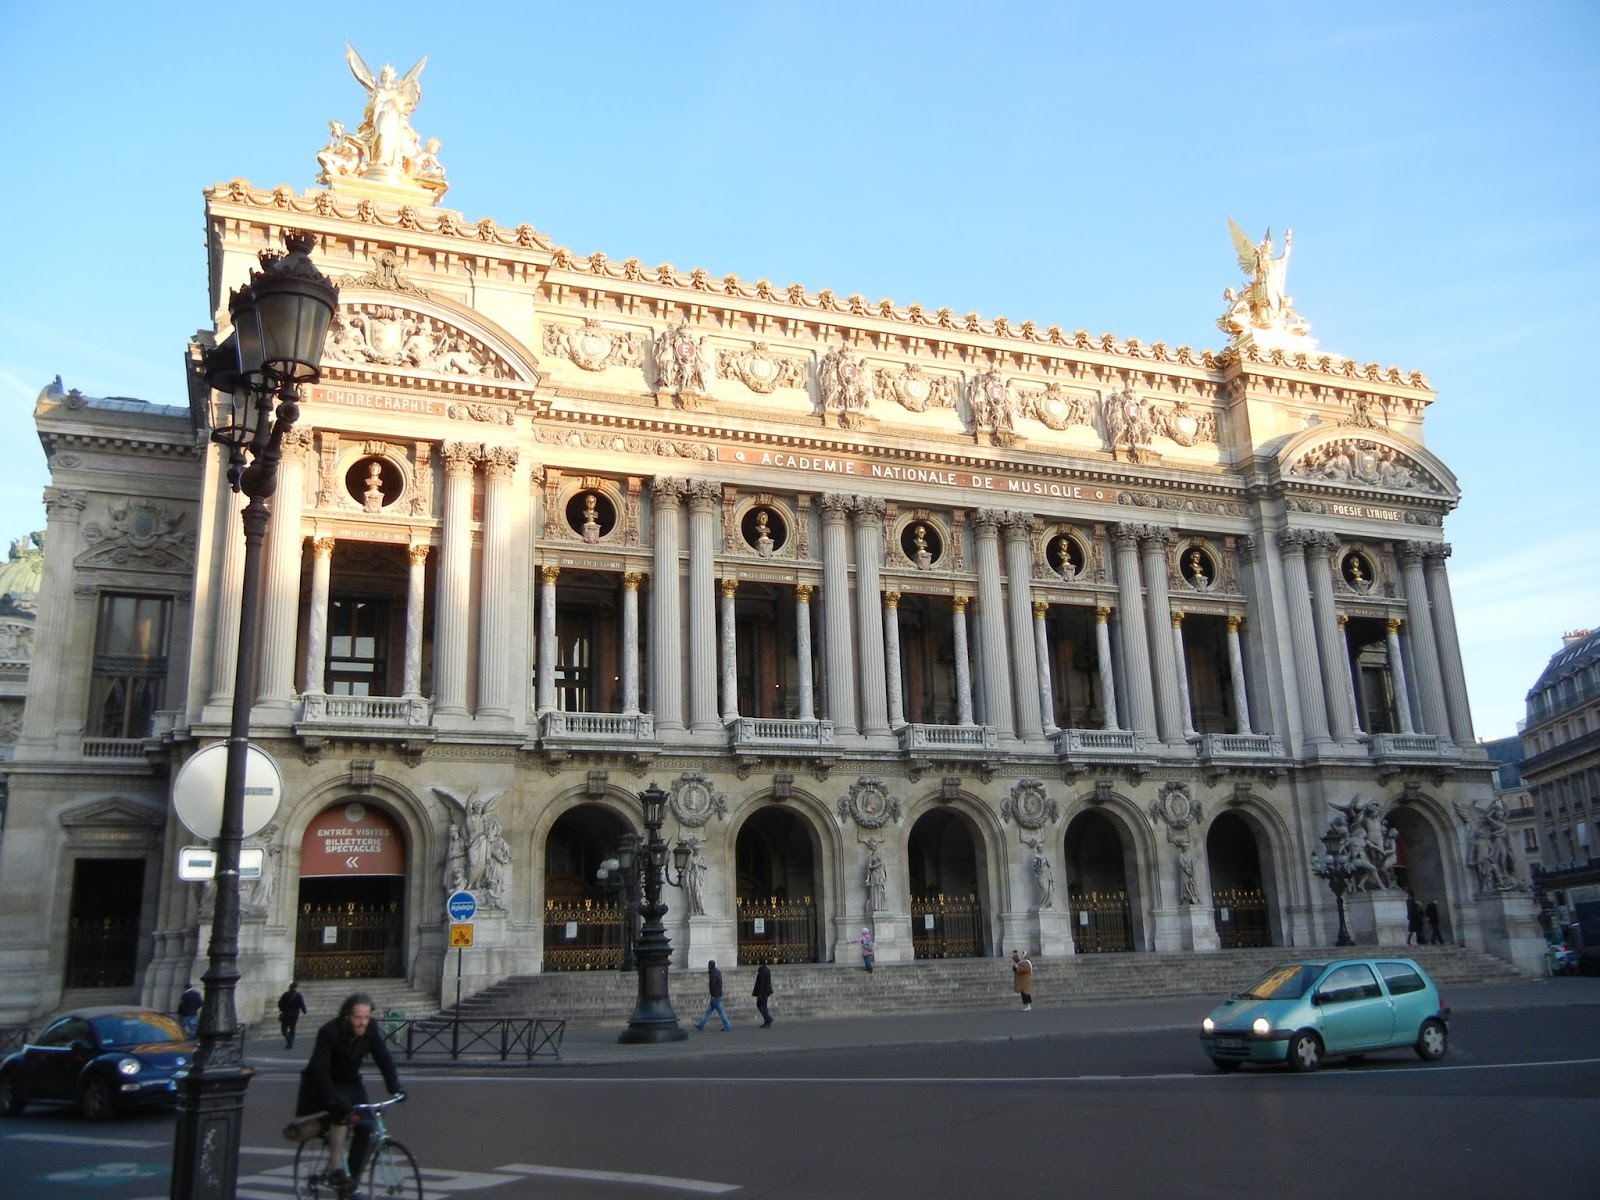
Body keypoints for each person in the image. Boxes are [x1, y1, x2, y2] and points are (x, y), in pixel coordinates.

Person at [296, 992, 406, 1199]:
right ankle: (336, 1167)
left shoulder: (370, 1029)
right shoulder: (329, 1032)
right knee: (341, 1115)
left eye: (366, 1017)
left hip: (350, 1082)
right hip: (323, 1083)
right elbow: (319, 1070)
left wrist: (395, 1087)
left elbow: (383, 1057)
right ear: (347, 1016)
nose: (362, 1022)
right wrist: (334, 1100)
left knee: (367, 1127)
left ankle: (351, 1182)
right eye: (358, 1017)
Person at [694, 960, 732, 1032]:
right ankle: (701, 1025)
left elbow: (713, 985)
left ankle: (727, 1025)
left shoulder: (713, 974)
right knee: (708, 1012)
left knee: (720, 1012)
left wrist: (713, 995)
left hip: (715, 996)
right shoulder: (717, 972)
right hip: (717, 995)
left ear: (710, 965)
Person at [278, 981, 309, 1050]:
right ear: (296, 988)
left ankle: (289, 1040)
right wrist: (304, 1011)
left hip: (286, 1014)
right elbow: (302, 1004)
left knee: (284, 1029)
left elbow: (280, 1003)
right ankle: (290, 1041)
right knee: (292, 1027)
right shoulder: (298, 995)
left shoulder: (285, 994)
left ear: (289, 987)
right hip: (295, 1014)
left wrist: (282, 1009)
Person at [753, 962, 774, 1028]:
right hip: (766, 991)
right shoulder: (767, 969)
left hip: (763, 992)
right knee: (761, 1005)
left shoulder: (762, 971)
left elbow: (761, 983)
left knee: (763, 1006)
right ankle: (768, 1018)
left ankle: (767, 1020)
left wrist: (760, 994)